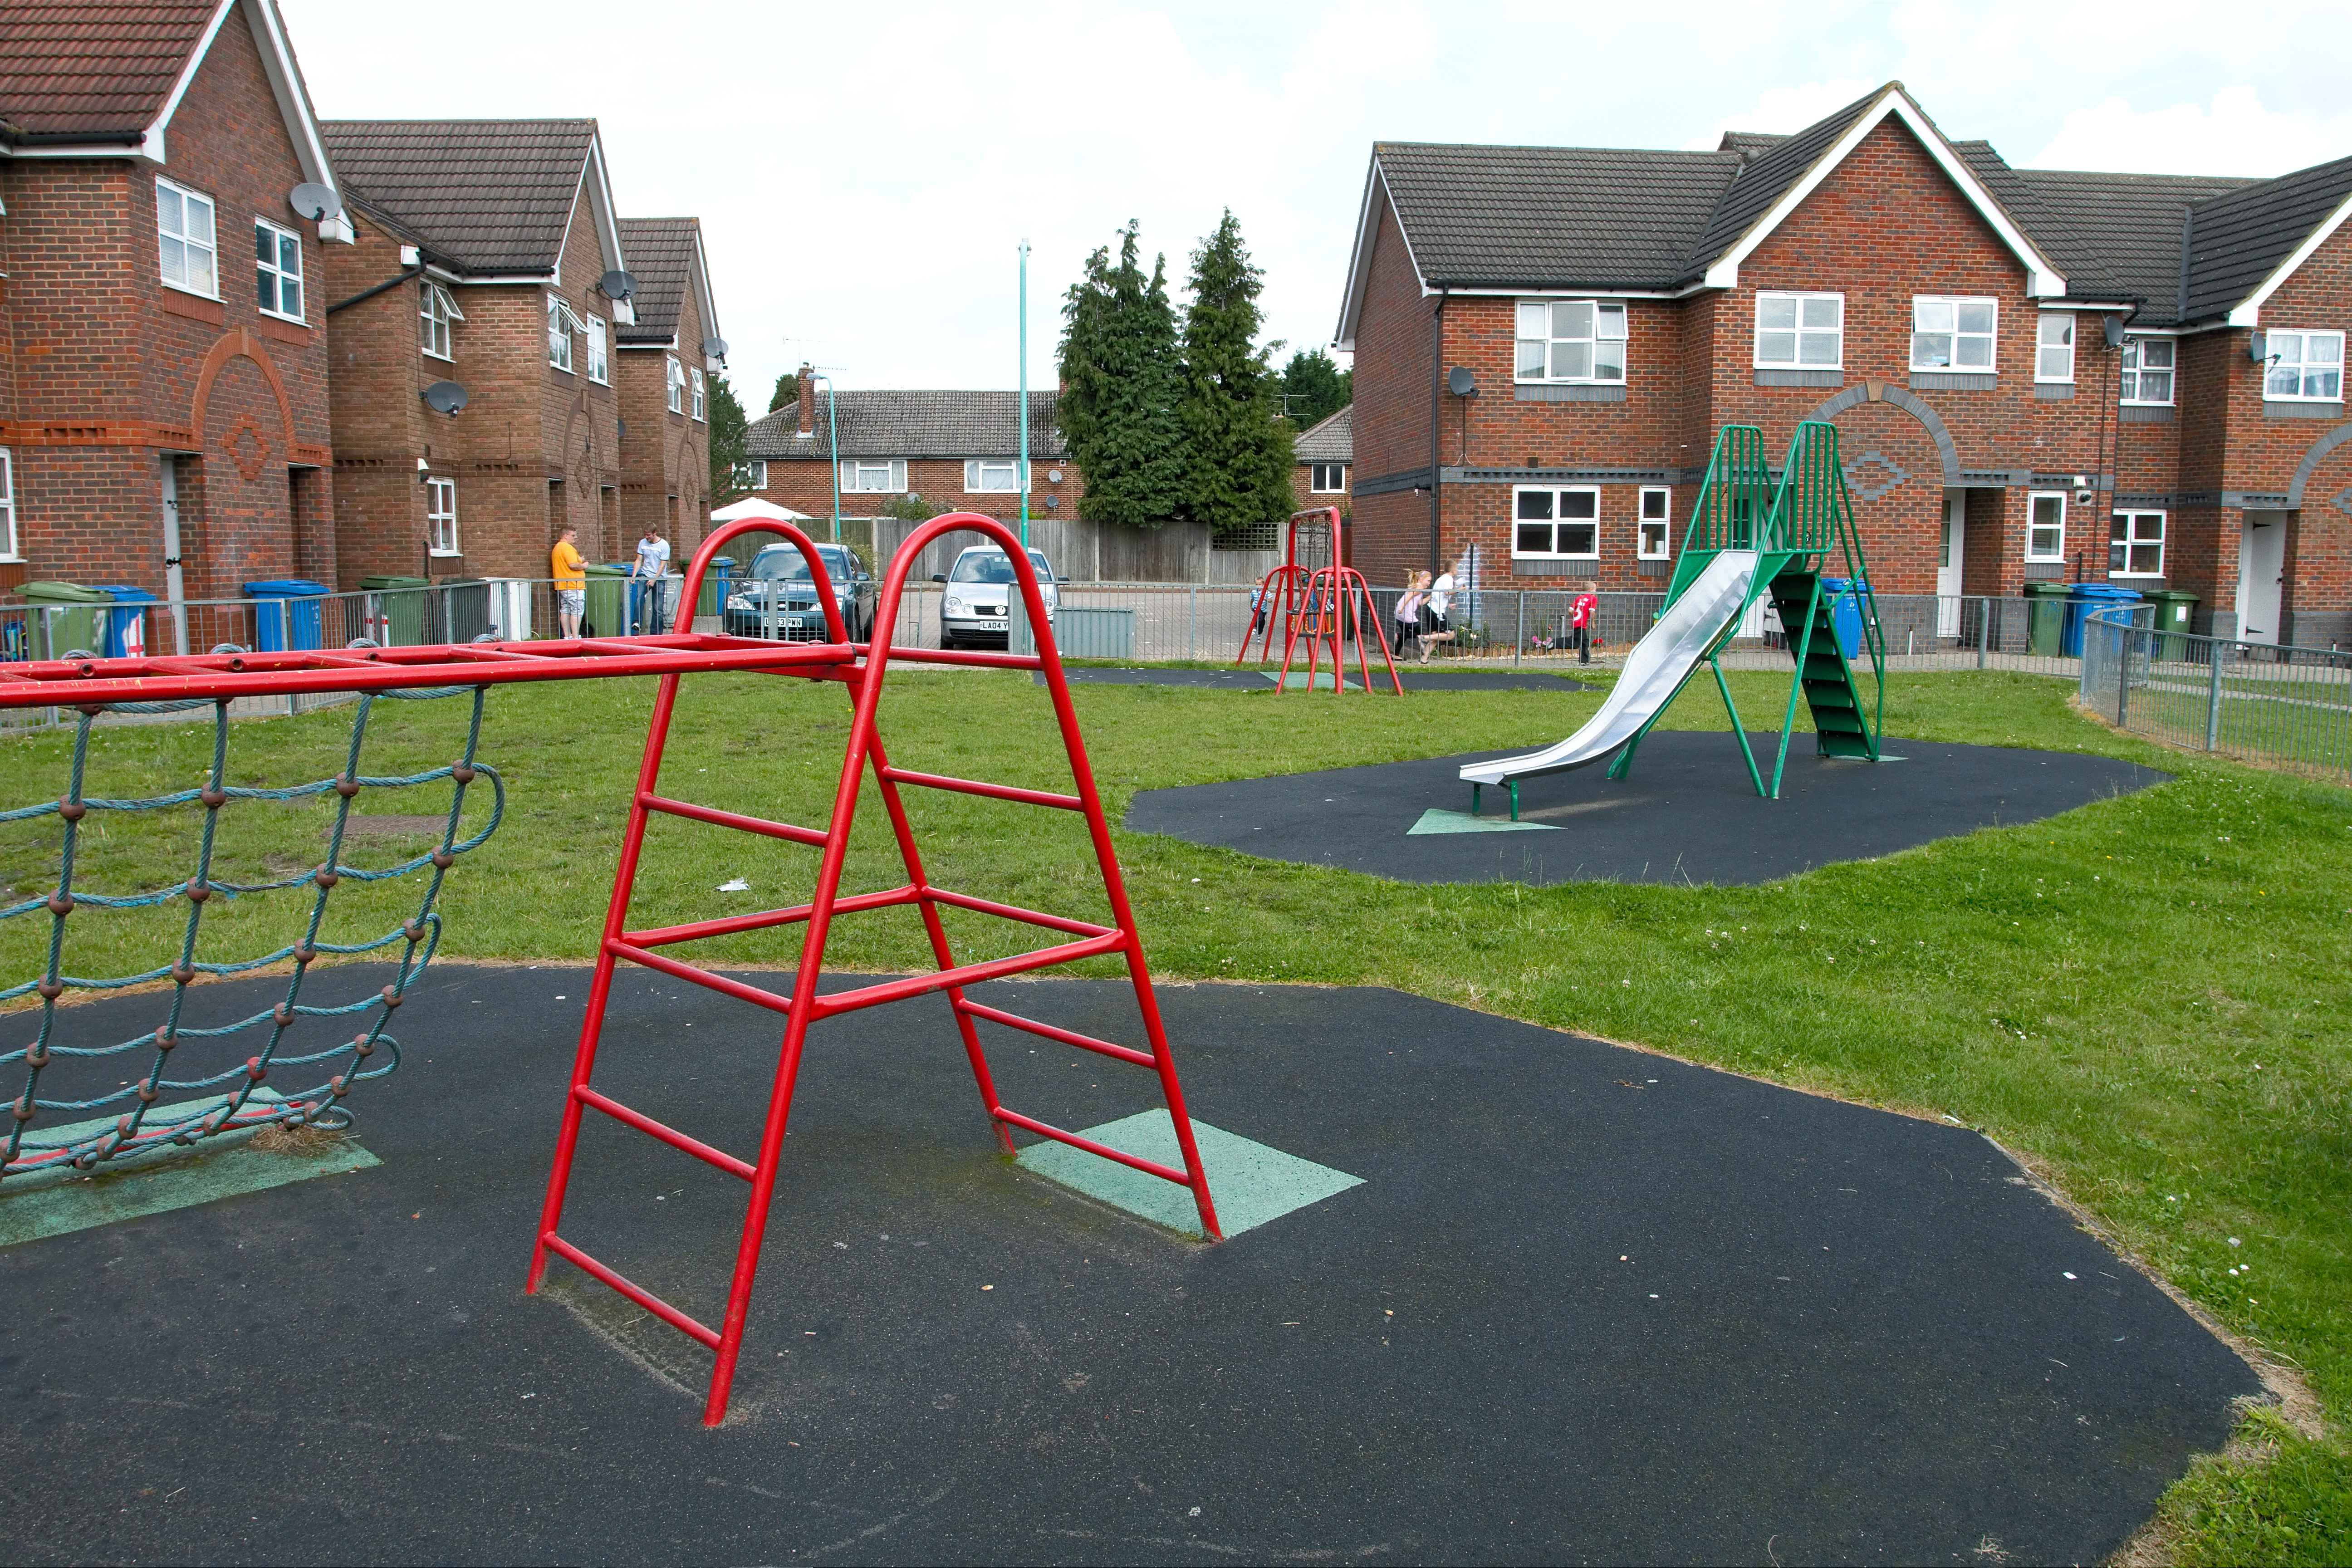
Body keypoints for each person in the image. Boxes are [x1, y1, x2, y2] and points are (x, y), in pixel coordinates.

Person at [631, 526, 671, 635]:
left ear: (655, 533)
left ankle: (656, 633)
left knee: (658, 608)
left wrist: (654, 579)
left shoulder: (664, 545)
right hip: (646, 574)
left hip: (659, 578)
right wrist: (634, 576)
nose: (647, 537)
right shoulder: (642, 543)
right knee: (639, 597)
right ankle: (637, 622)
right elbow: (639, 560)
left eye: (649, 535)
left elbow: (663, 565)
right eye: (645, 535)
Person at [551, 525, 586, 639]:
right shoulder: (567, 548)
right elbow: (573, 565)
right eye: (573, 535)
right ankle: (576, 637)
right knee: (577, 611)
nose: (575, 538)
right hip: (573, 585)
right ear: (565, 536)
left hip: (562, 585)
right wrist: (584, 566)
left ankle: (567, 636)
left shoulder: (557, 548)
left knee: (565, 610)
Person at [1420, 568, 1456, 662]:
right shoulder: (1449, 578)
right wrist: (1459, 590)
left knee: (1435, 636)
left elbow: (1438, 596)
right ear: (1453, 570)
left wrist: (1448, 605)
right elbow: (1447, 592)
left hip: (1431, 608)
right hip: (1437, 611)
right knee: (1451, 635)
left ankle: (1423, 660)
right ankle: (1424, 638)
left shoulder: (1441, 579)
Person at [1394, 571, 1429, 657]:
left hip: (1400, 615)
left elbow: (1420, 603)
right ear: (1421, 579)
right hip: (1407, 615)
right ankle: (1399, 635)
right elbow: (1410, 596)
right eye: (1428, 581)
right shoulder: (1419, 587)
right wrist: (1402, 608)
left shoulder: (1417, 586)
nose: (1429, 583)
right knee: (1419, 635)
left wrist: (1430, 597)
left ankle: (1396, 655)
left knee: (1405, 636)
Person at [1569, 589, 1597, 664]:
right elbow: (1592, 612)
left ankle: (1584, 661)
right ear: (1591, 590)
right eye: (1595, 590)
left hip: (1578, 623)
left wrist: (1575, 618)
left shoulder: (1579, 598)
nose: (1596, 592)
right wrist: (1593, 623)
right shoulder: (1593, 598)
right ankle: (1554, 642)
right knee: (1576, 643)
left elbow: (1570, 610)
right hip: (1581, 625)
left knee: (1585, 642)